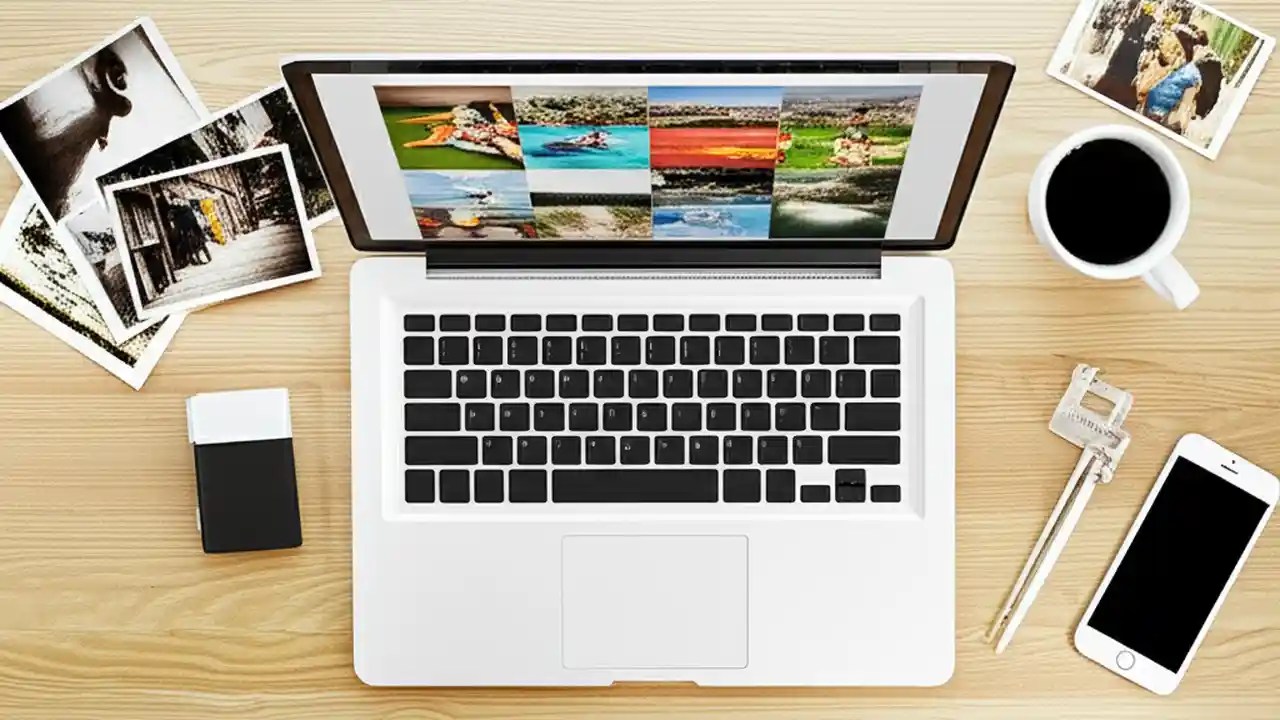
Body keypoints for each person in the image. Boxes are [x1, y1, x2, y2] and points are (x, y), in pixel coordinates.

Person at [1143, 46, 1224, 133]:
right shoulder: (1193, 80)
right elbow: (1182, 115)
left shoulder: (1188, 73)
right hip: (1158, 115)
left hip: (1152, 110)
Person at [1091, 2, 1156, 110]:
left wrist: (1110, 66)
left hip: (1116, 73)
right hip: (1125, 76)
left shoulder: (1130, 33)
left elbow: (1118, 53)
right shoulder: (1142, 41)